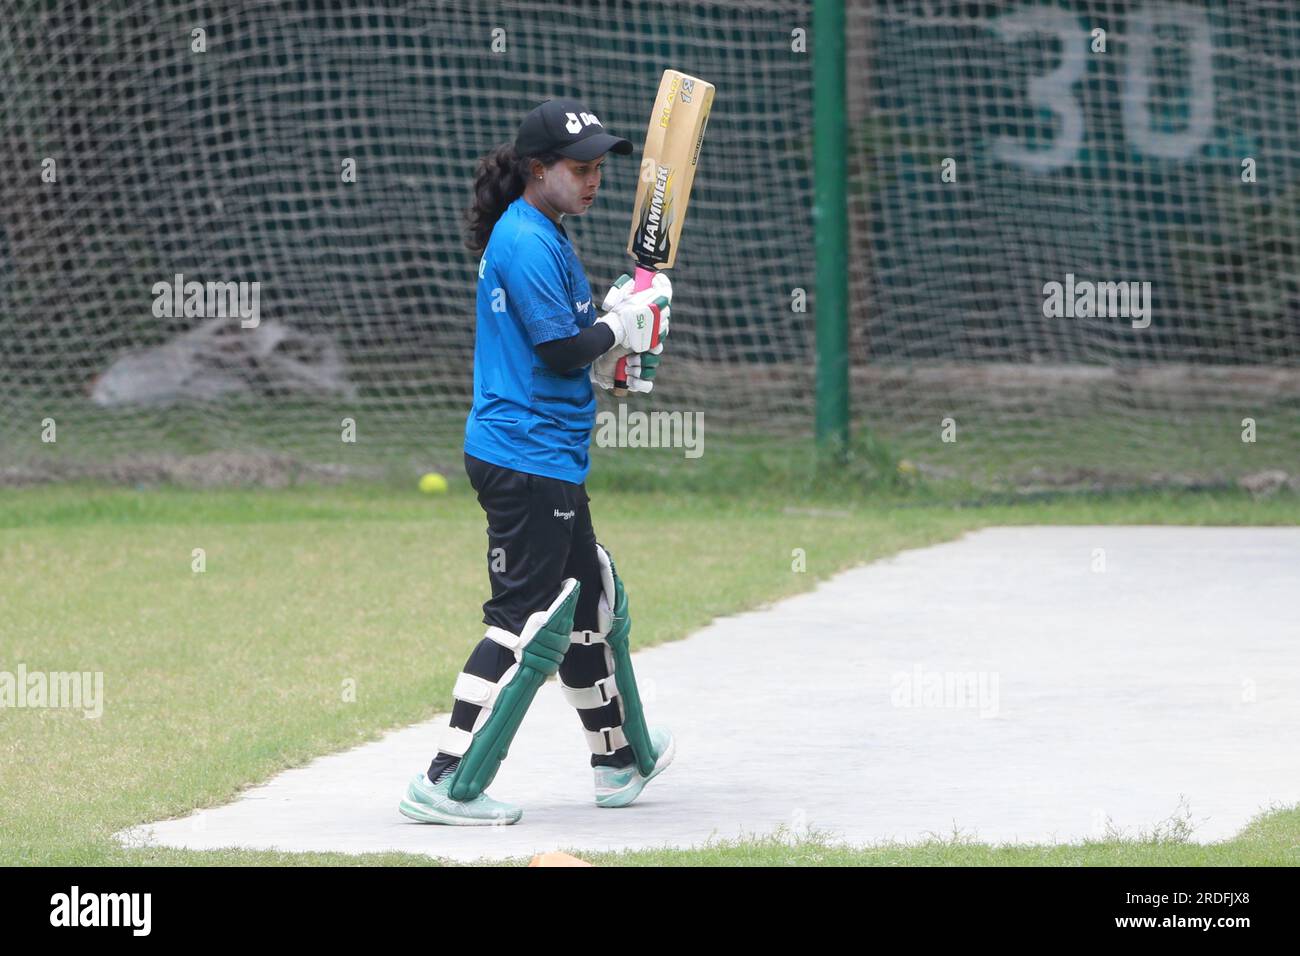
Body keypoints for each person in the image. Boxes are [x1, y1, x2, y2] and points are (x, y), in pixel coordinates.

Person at [398, 98, 675, 825]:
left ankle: (618, 759)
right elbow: (557, 352)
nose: (593, 182)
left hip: (547, 454)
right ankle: (446, 780)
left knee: (590, 600)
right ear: (536, 169)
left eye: (597, 171)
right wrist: (621, 325)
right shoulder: (523, 241)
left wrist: (620, 334)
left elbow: (573, 341)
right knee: (528, 622)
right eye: (579, 170)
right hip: (524, 457)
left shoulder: (546, 232)